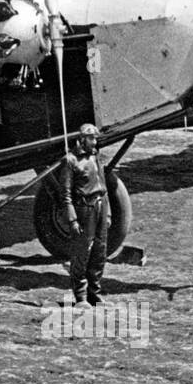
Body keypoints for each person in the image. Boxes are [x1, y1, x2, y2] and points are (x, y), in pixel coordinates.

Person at [61, 123, 111, 306]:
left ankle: (94, 294)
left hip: (100, 205)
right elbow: (65, 195)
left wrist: (108, 213)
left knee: (100, 252)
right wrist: (72, 219)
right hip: (84, 209)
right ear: (82, 139)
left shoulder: (95, 157)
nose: (95, 142)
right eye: (91, 138)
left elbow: (103, 186)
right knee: (82, 253)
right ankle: (81, 297)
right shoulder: (70, 161)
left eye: (96, 138)